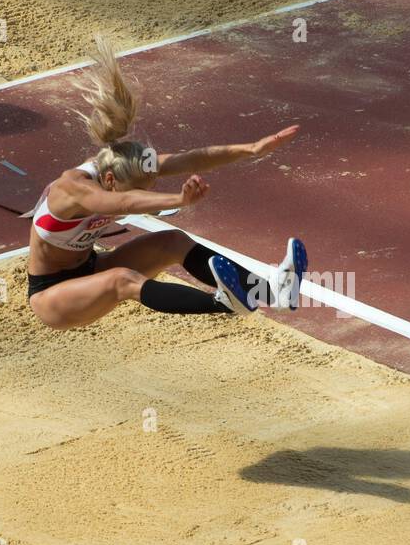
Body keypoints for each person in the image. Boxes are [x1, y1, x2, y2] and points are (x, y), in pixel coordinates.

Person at [27, 38, 308, 330]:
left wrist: (251, 149)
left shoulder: (123, 163)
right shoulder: (73, 189)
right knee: (122, 279)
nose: (142, 195)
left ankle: (272, 292)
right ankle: (222, 304)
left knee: (172, 241)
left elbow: (190, 160)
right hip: (52, 297)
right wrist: (179, 200)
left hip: (91, 269)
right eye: (138, 190)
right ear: (109, 180)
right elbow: (123, 203)